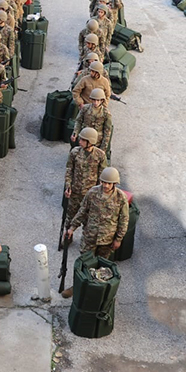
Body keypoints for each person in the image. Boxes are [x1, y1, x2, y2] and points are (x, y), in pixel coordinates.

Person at [62, 167, 129, 297]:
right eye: (103, 182)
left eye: (109, 183)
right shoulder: (92, 193)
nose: (105, 185)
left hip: (107, 240)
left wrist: (118, 239)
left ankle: (93, 291)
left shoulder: (121, 198)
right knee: (83, 264)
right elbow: (82, 212)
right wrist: (71, 228)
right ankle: (77, 287)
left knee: (101, 268)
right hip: (90, 237)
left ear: (114, 183)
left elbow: (124, 220)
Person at [63, 126, 108, 224]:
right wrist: (68, 186)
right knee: (69, 219)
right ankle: (67, 236)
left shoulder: (100, 156)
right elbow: (69, 170)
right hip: (75, 192)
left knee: (88, 223)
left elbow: (102, 178)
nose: (80, 141)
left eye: (83, 139)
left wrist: (99, 195)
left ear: (90, 142)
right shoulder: (75, 152)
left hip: (90, 194)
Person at [72, 89, 113, 153]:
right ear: (91, 99)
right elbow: (78, 121)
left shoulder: (106, 113)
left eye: (98, 100)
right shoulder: (85, 108)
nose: (96, 102)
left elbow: (107, 132)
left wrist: (103, 149)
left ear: (102, 100)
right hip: (84, 137)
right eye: (94, 100)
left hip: (97, 141)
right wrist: (75, 133)